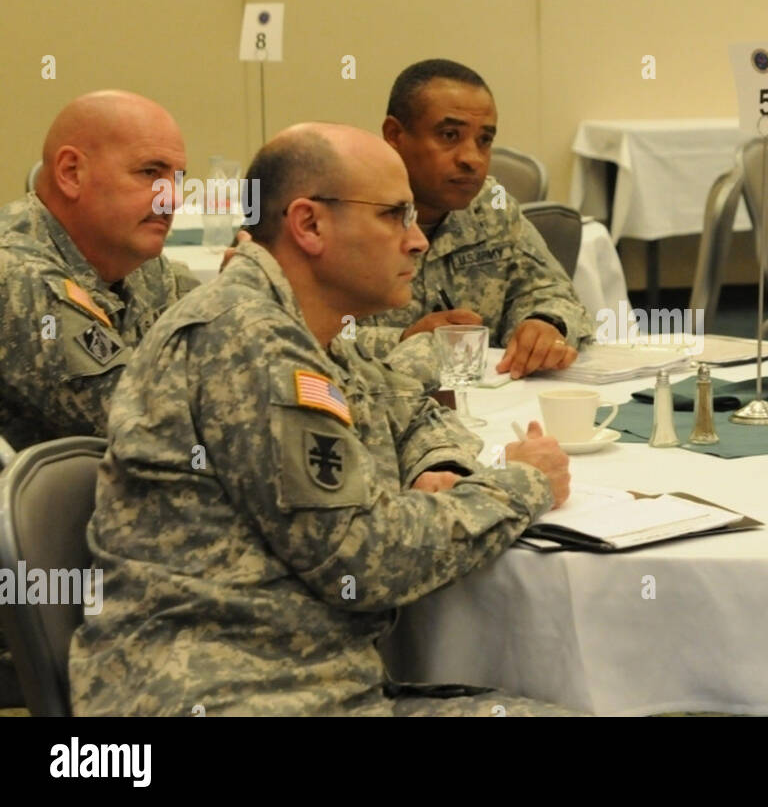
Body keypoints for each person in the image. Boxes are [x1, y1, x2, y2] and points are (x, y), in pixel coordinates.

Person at [69, 123, 577, 716]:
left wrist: (436, 462)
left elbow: (406, 405)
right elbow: (366, 559)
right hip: (229, 694)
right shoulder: (248, 339)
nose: (418, 241)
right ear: (308, 225)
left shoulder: (317, 329)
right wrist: (522, 483)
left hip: (314, 681)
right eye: (394, 216)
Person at [358, 58, 592, 380]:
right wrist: (401, 340)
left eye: (484, 140)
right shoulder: (342, 213)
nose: (472, 158)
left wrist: (544, 323)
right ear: (394, 135)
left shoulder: (490, 208)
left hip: (489, 410)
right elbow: (289, 333)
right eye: (450, 135)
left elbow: (553, 293)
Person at [0, 90, 198, 452]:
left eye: (178, 178)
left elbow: (226, 343)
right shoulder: (16, 272)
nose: (172, 198)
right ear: (71, 173)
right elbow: (146, 424)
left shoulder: (137, 263)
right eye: (150, 173)